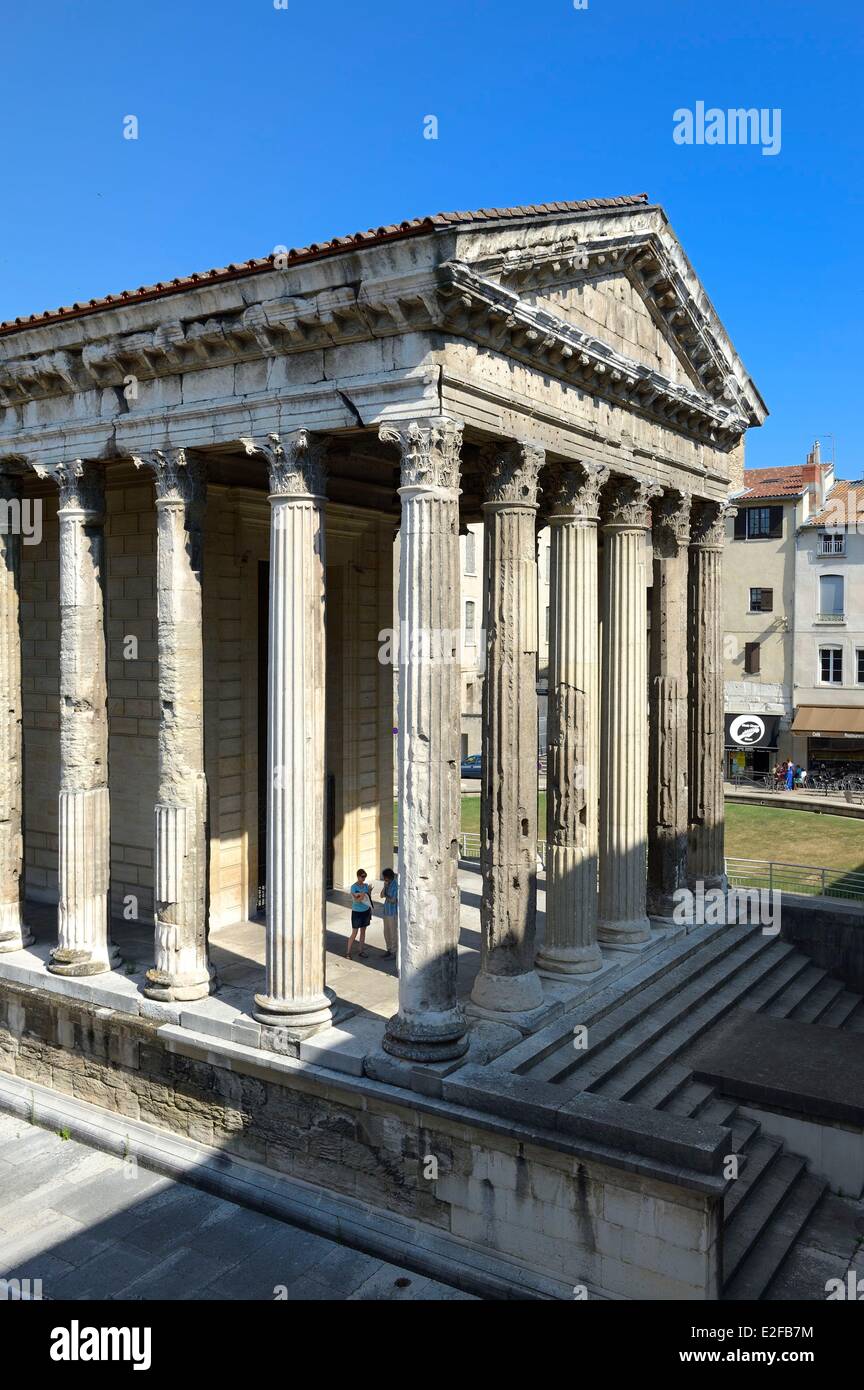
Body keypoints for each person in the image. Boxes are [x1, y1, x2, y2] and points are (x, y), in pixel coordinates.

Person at [346, 869, 373, 959]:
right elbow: (357, 900)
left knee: (363, 932)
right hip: (357, 912)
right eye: (362, 876)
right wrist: (363, 894)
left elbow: (368, 898)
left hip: (365, 911)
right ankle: (348, 952)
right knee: (354, 932)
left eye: (365, 876)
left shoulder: (366, 886)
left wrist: (369, 891)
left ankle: (361, 951)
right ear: (358, 876)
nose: (364, 878)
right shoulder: (353, 887)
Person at [380, 867, 399, 959]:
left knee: (393, 933)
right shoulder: (387, 884)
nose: (384, 879)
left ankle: (394, 952)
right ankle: (389, 949)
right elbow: (381, 895)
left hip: (392, 913)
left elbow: (393, 900)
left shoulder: (395, 885)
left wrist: (386, 895)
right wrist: (385, 887)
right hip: (386, 911)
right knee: (386, 932)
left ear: (388, 877)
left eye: (385, 877)